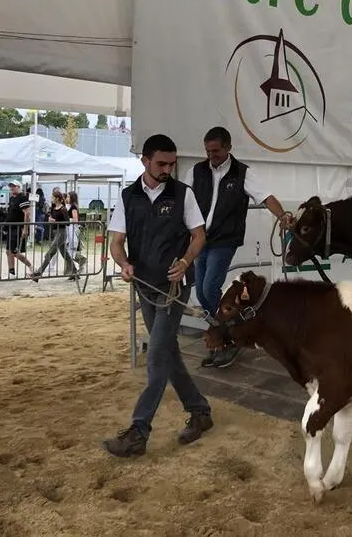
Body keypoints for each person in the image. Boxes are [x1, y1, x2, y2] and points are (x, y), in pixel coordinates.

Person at [103, 134, 212, 457]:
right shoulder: (128, 196)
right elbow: (116, 242)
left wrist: (185, 261)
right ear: (145, 161)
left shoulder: (183, 194)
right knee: (168, 352)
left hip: (174, 288)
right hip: (145, 285)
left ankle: (139, 430)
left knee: (156, 357)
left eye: (171, 164)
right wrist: (124, 264)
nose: (167, 169)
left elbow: (199, 235)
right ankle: (200, 410)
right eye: (161, 163)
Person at [184, 126, 292, 369]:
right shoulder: (195, 171)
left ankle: (227, 339)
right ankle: (224, 337)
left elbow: (267, 197)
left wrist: (282, 215)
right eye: (207, 151)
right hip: (199, 239)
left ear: (228, 147)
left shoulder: (243, 173)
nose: (211, 156)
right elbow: (184, 199)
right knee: (201, 293)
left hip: (225, 240)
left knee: (210, 287)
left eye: (216, 151)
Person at [4, 180, 35, 278]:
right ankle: (11, 273)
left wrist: (25, 229)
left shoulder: (22, 198)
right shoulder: (12, 198)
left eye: (14, 186)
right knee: (8, 251)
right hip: (10, 228)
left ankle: (31, 266)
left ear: (18, 187)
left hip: (18, 228)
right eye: (11, 186)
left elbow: (27, 213)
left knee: (14, 252)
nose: (12, 188)